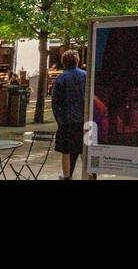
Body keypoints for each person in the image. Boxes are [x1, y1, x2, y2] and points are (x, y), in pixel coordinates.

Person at [51, 49, 87, 179]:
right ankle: (88, 174)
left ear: (64, 63)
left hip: (66, 121)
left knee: (66, 151)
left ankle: (66, 176)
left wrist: (59, 120)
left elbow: (55, 103)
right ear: (77, 61)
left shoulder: (61, 78)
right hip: (84, 121)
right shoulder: (85, 75)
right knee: (85, 149)